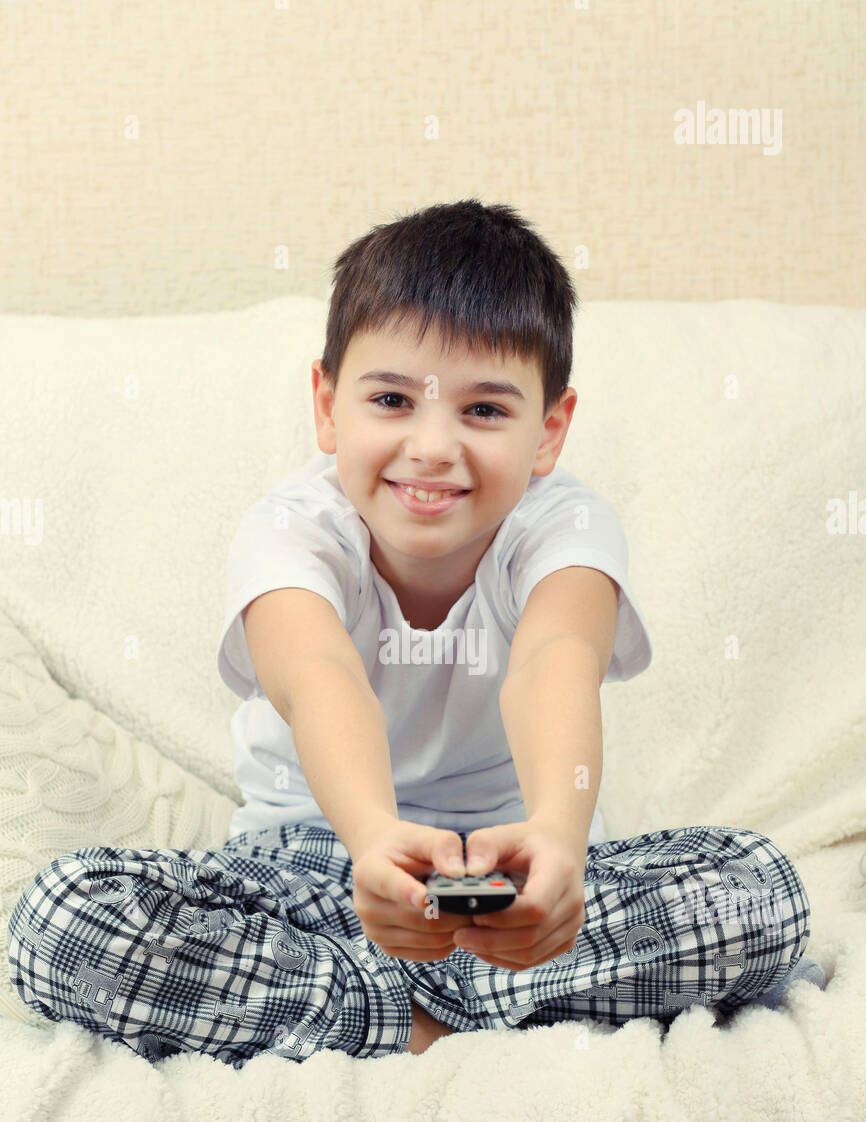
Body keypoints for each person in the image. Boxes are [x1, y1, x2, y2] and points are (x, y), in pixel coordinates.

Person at [6, 199, 823, 1068]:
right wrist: (373, 843)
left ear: (549, 430)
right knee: (61, 916)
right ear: (327, 407)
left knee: (761, 892)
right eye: (392, 399)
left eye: (484, 411)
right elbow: (318, 673)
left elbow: (556, 659)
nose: (432, 447)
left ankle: (377, 1009)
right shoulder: (291, 528)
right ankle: (449, 1017)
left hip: (506, 884)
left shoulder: (566, 526)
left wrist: (554, 840)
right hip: (313, 876)